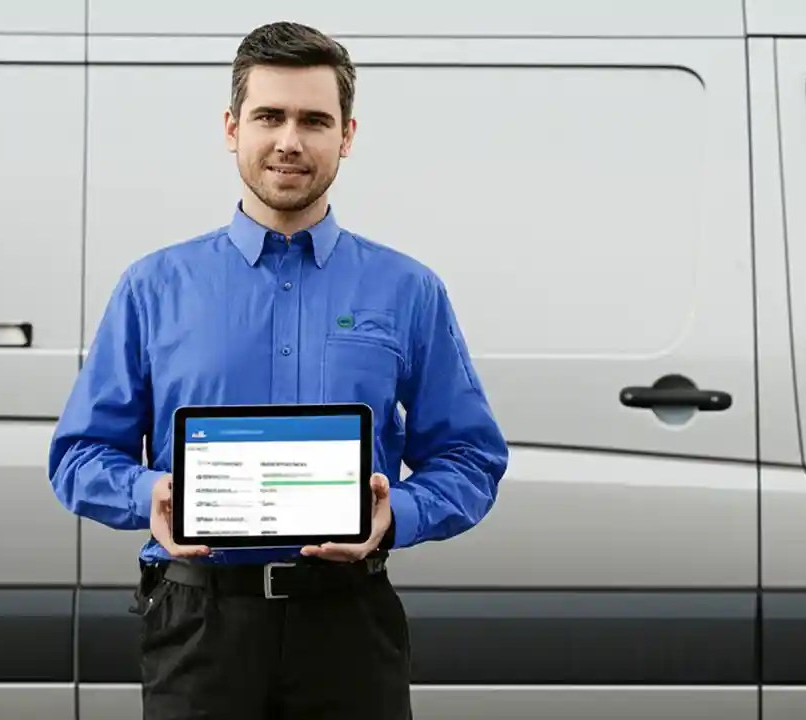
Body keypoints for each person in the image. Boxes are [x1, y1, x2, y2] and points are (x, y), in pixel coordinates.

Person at [48, 20, 508, 720]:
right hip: (199, 627)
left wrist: (396, 514)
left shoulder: (408, 292)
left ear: (346, 136)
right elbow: (77, 457)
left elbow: (472, 459)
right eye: (270, 116)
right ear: (233, 127)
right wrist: (154, 495)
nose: (290, 140)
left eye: (314, 120)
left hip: (348, 628)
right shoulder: (154, 288)